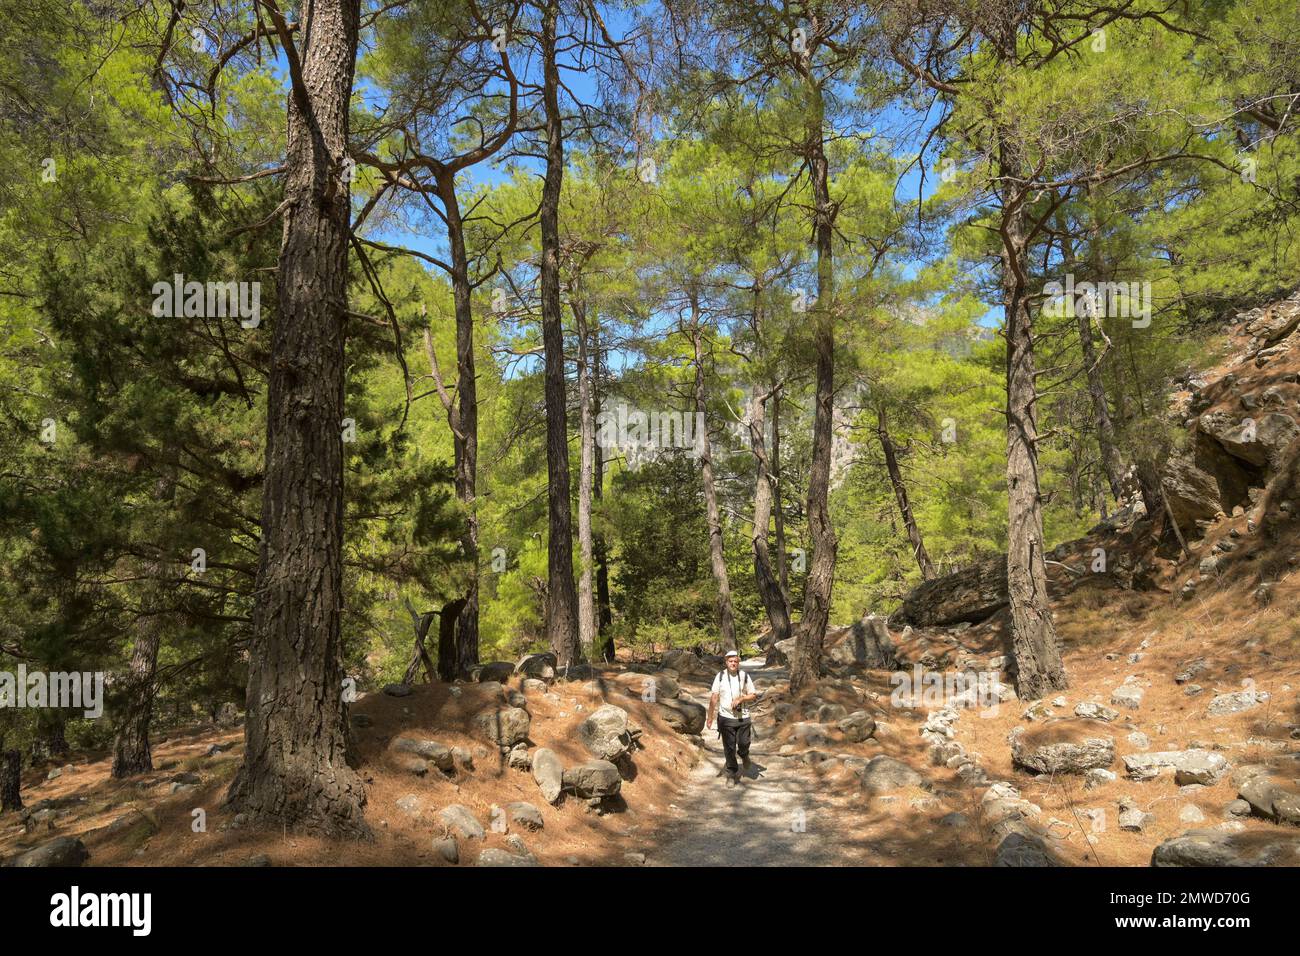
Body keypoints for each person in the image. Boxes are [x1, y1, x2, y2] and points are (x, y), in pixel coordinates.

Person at [706, 650, 757, 786]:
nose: (733, 663)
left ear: (738, 663)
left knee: (744, 743)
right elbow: (714, 697)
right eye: (730, 661)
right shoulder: (720, 676)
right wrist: (709, 717)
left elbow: (753, 695)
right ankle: (731, 773)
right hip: (726, 717)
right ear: (726, 662)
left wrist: (741, 698)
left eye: (735, 661)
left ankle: (744, 754)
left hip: (743, 716)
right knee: (729, 748)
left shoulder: (744, 676)